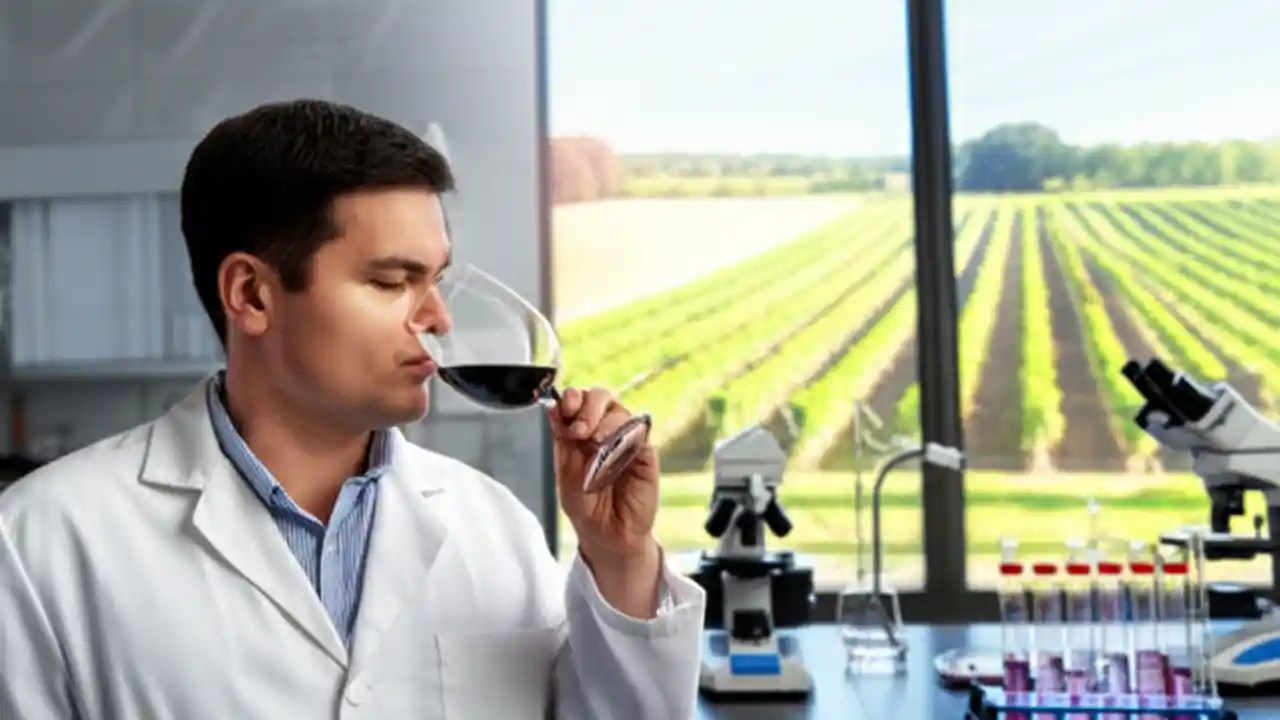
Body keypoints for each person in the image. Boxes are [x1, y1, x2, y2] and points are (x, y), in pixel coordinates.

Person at [0, 99, 706, 719]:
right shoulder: (41, 544)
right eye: (391, 281)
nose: (437, 319)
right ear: (250, 294)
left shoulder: (493, 526)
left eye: (436, 281)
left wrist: (619, 561)